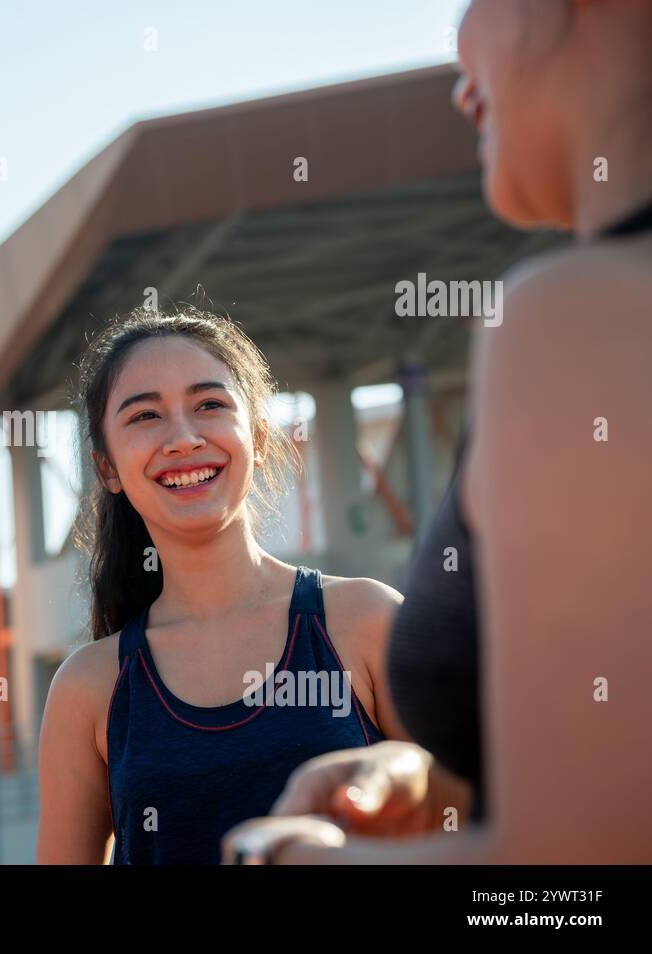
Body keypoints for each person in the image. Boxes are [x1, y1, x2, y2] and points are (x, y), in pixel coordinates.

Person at [224, 0, 652, 864]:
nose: (460, 77)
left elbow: (575, 884)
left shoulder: (583, 316)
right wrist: (439, 783)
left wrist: (283, 860)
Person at [36, 304, 408, 864]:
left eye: (209, 404)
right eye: (145, 416)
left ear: (258, 438)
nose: (183, 439)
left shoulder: (368, 620)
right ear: (107, 468)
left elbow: (479, 826)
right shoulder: (88, 688)